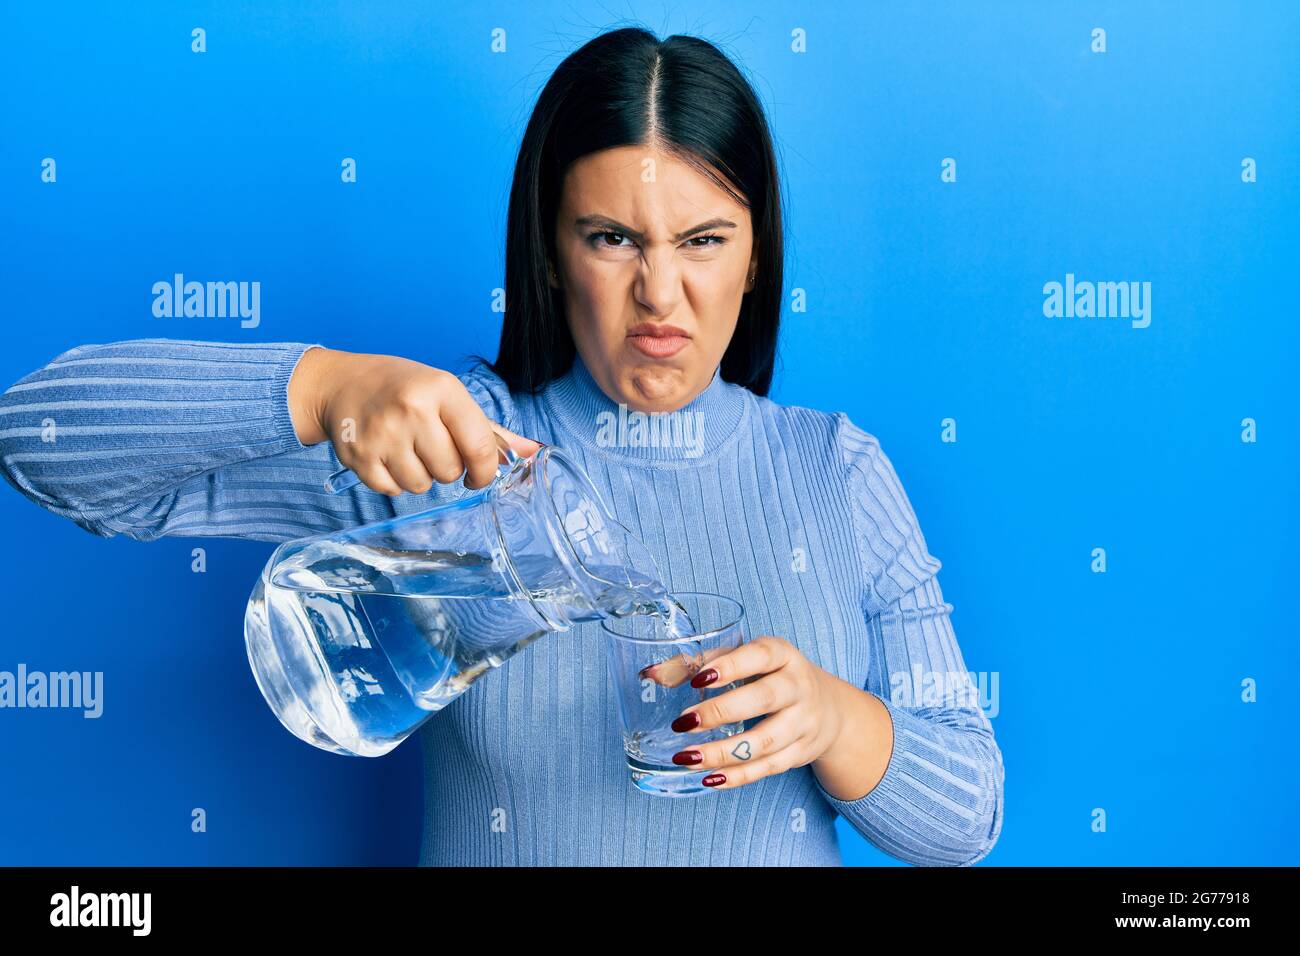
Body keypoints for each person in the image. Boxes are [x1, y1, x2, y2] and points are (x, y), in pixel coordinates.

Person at [0, 27, 1003, 866]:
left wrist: (831, 719)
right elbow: (35, 439)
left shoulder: (835, 469)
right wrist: (319, 385)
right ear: (551, 253)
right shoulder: (454, 446)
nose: (661, 294)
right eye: (612, 237)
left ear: (754, 257)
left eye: (703, 240)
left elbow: (965, 822)